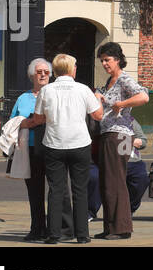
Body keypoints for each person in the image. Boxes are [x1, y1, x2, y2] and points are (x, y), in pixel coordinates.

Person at [19, 53, 103, 244]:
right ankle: (82, 235)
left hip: (54, 143)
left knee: (56, 190)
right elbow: (97, 115)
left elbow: (39, 119)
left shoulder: (46, 91)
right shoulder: (83, 89)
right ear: (72, 69)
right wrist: (98, 99)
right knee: (80, 190)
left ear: (55, 71)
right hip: (79, 143)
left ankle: (53, 234)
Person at [11, 58, 71, 242]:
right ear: (32, 76)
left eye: (46, 71)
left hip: (54, 147)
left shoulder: (55, 93)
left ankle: (65, 229)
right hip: (30, 149)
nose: (43, 74)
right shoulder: (23, 98)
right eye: (39, 72)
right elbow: (13, 121)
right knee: (34, 191)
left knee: (59, 189)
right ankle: (37, 228)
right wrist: (28, 122)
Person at [93, 41, 148, 240]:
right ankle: (111, 227)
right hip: (110, 135)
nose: (105, 64)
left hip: (119, 134)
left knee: (115, 181)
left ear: (117, 59)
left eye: (107, 60)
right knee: (108, 182)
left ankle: (121, 228)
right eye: (102, 61)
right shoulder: (110, 81)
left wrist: (121, 104)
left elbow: (144, 96)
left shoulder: (123, 79)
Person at [88, 126, 149, 217]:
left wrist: (131, 141)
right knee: (95, 177)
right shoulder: (103, 120)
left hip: (132, 160)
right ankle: (90, 212)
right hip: (106, 159)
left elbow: (143, 142)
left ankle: (129, 209)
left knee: (141, 177)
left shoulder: (131, 121)